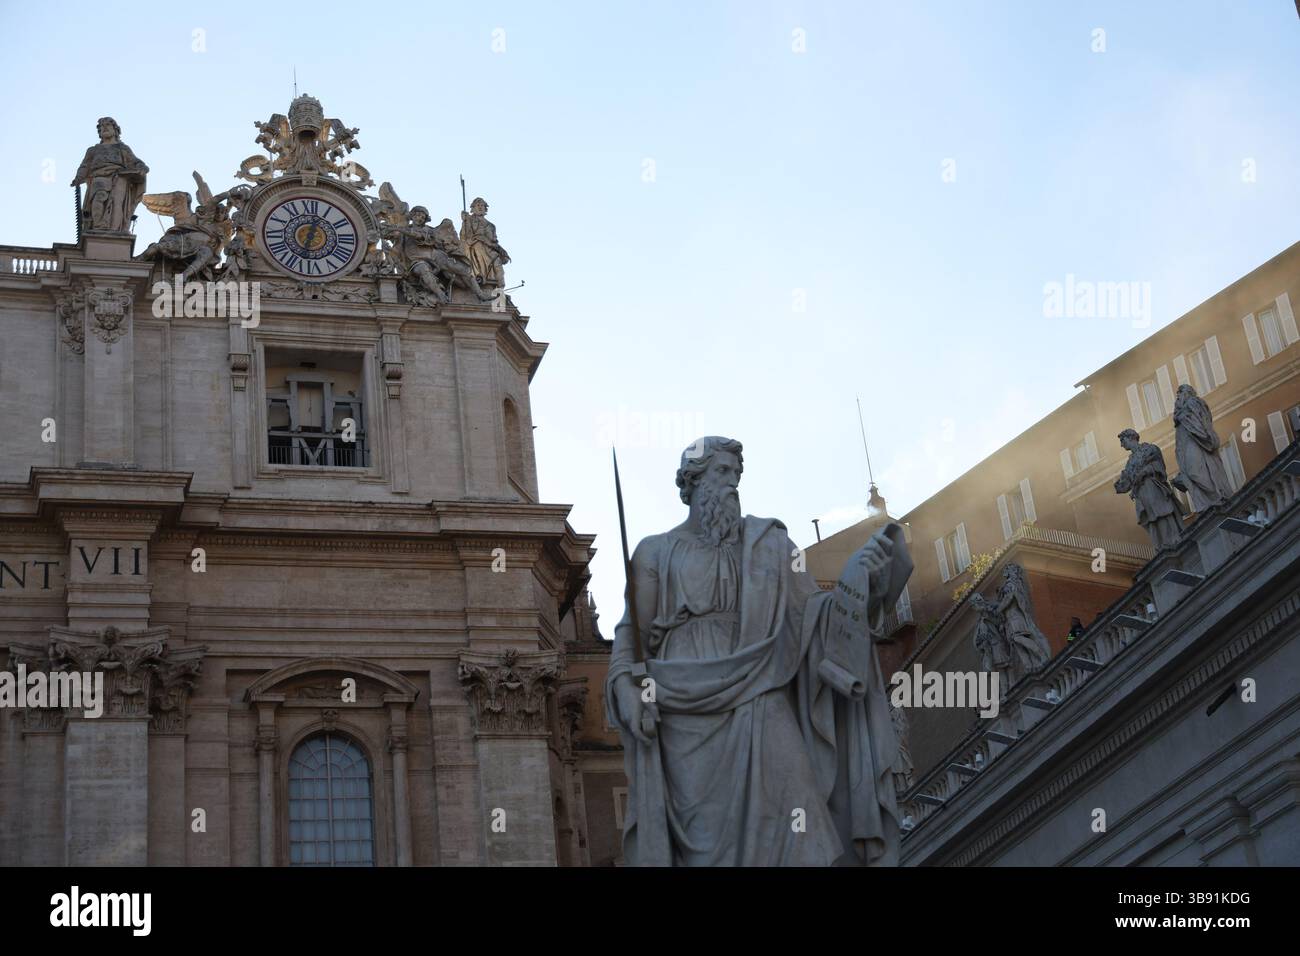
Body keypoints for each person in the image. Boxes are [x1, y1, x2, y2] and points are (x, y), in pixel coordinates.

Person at [605, 436, 912, 866]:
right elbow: (628, 639)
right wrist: (627, 691)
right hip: (684, 713)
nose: (733, 484)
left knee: (801, 819)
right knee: (705, 846)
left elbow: (814, 617)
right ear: (692, 481)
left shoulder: (772, 545)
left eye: (737, 474)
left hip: (764, 689)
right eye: (722, 472)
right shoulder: (655, 552)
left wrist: (857, 579)